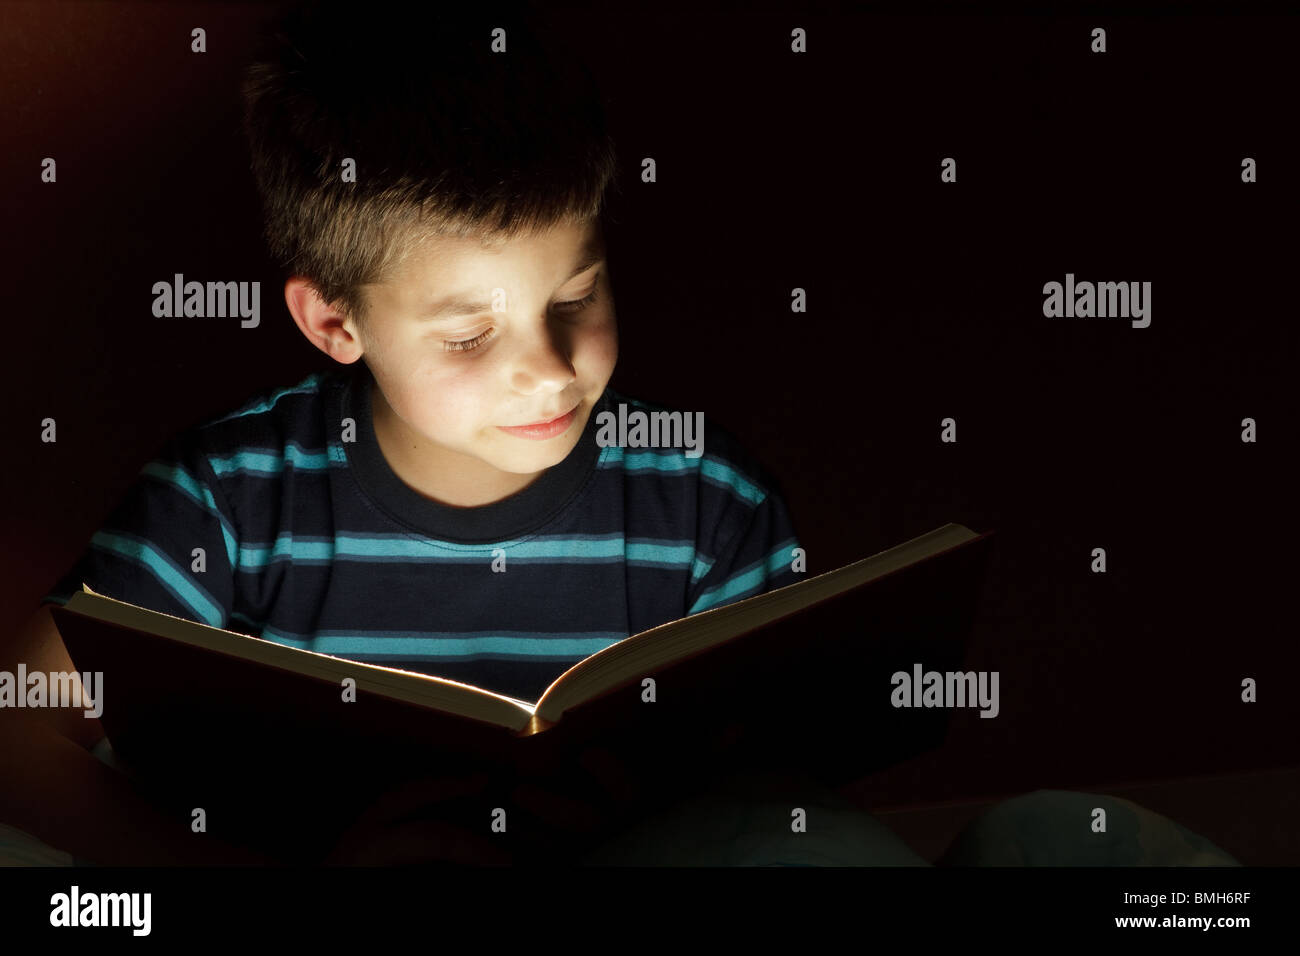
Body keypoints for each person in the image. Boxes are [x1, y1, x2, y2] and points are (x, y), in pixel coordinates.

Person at [0, 0, 804, 866]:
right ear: (335, 323)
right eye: (468, 337)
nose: (552, 369)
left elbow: (788, 774)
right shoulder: (231, 498)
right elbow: (15, 736)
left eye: (577, 298)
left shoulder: (707, 502)